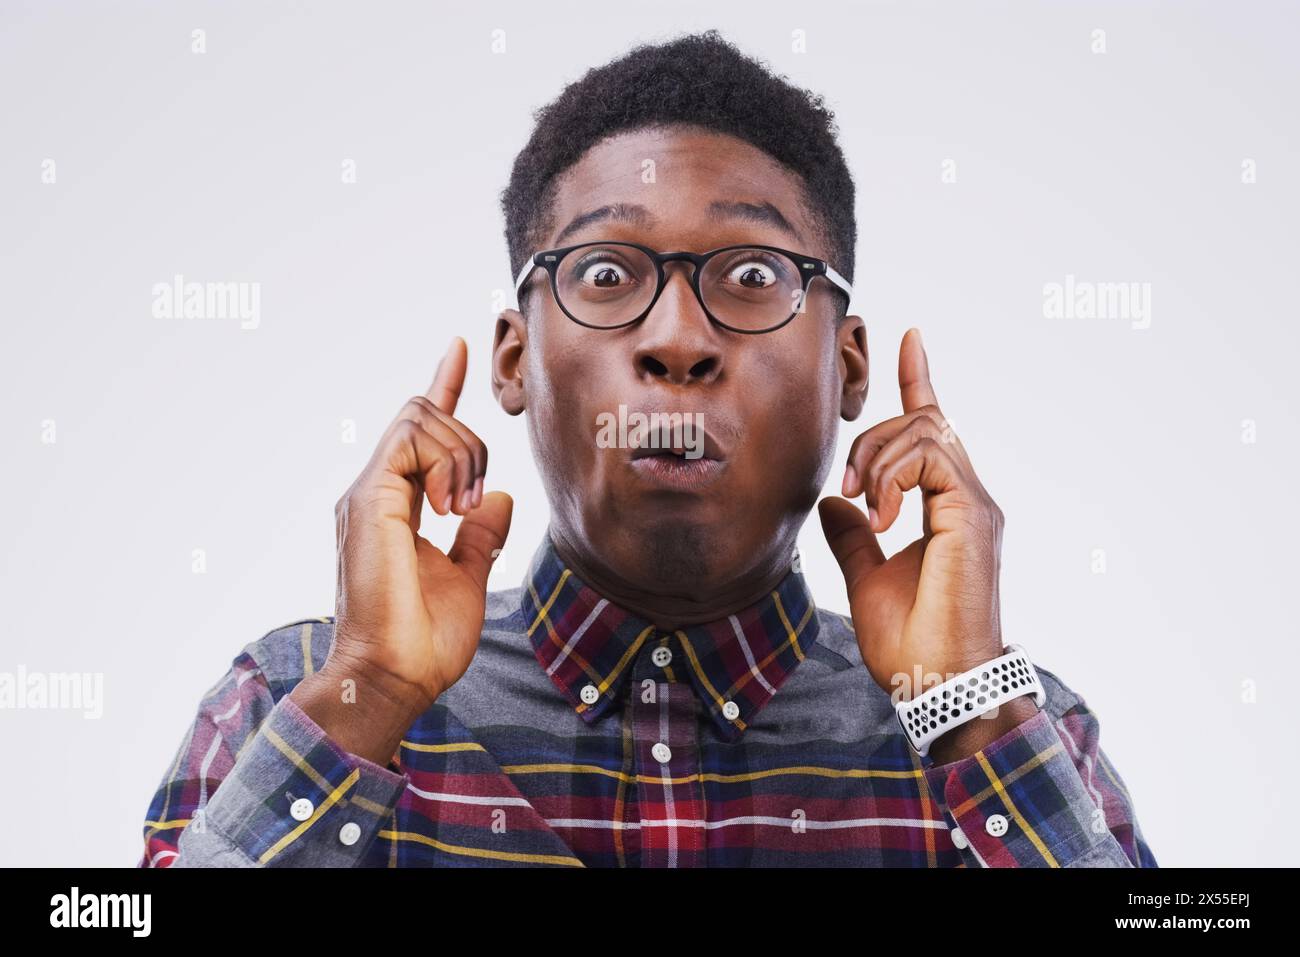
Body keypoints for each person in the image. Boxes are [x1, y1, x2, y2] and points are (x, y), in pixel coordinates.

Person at [139, 30, 1155, 868]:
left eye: (753, 274)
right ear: (515, 361)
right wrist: (368, 696)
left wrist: (966, 710)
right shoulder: (293, 698)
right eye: (609, 275)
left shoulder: (1020, 736)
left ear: (848, 368)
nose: (675, 340)